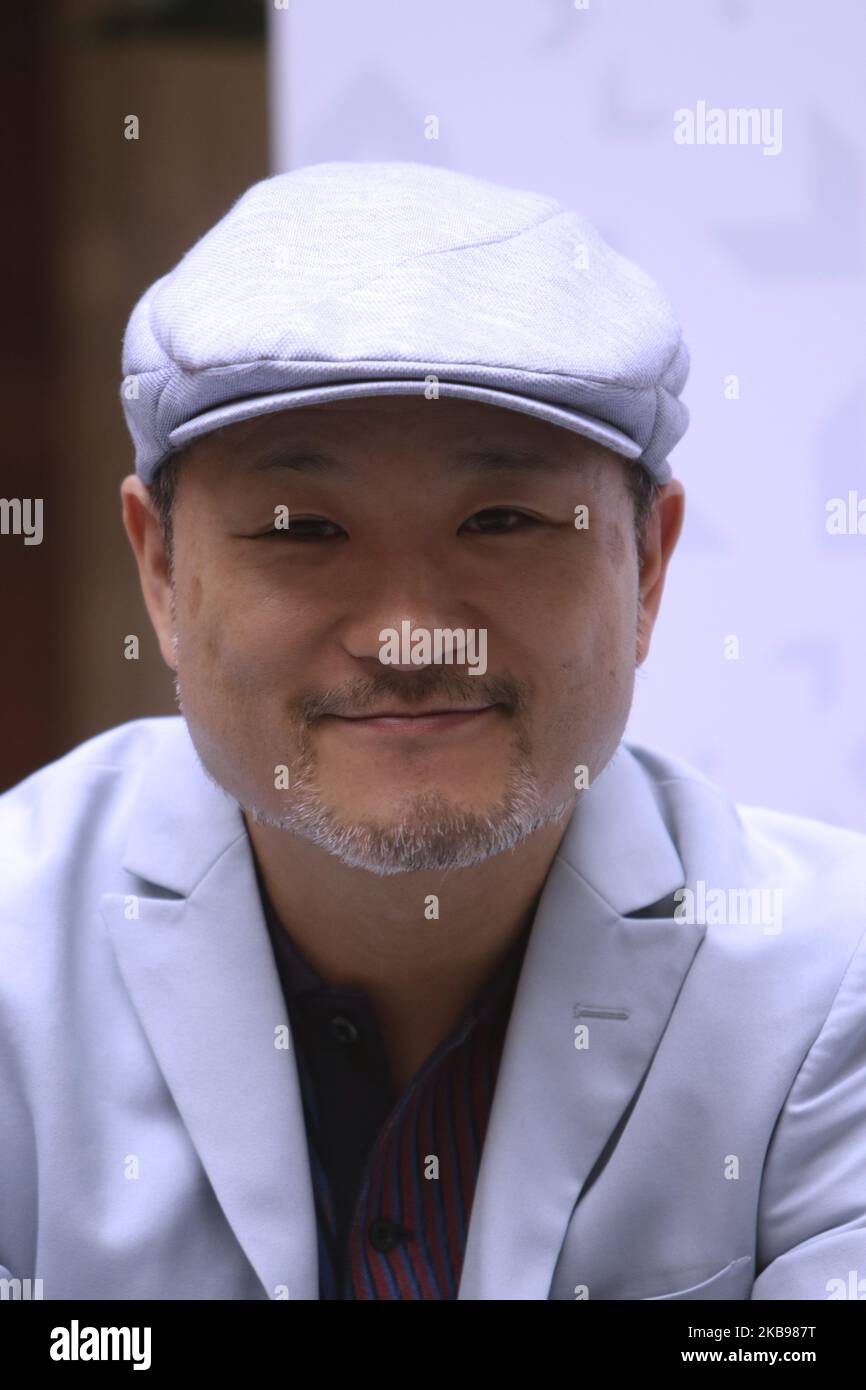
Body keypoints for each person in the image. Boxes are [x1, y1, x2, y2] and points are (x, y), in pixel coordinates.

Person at [1, 161, 864, 1302]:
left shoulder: (827, 985)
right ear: (161, 570)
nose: (410, 638)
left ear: (645, 564)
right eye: (301, 528)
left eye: (500, 519)